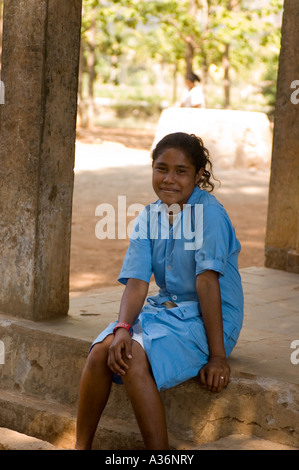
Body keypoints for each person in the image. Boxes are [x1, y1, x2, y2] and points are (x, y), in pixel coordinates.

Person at [75, 132, 243, 450]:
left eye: (181, 171)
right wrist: (123, 328)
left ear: (198, 175)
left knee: (134, 359)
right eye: (161, 168)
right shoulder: (149, 216)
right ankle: (81, 448)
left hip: (213, 316)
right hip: (168, 308)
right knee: (101, 352)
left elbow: (207, 283)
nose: (169, 179)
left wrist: (218, 357)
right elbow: (137, 283)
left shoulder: (209, 215)